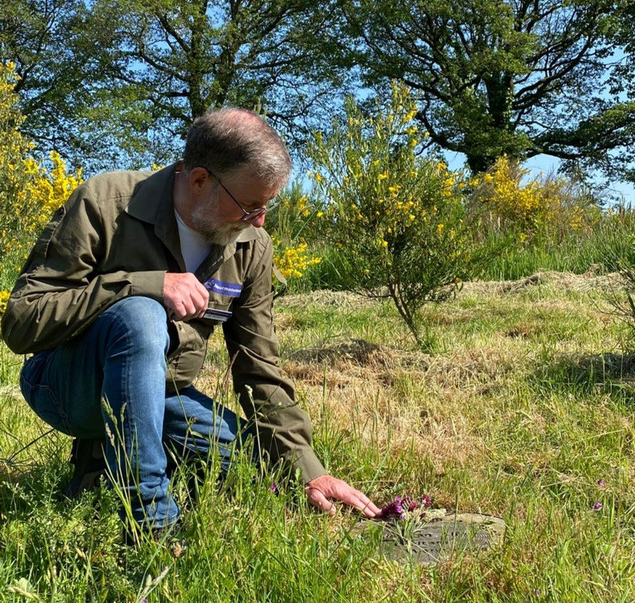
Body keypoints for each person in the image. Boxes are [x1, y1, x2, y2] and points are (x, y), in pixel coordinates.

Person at [1, 108, 379, 536]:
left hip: (164, 395)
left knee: (261, 471)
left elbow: (259, 368)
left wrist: (310, 470)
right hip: (64, 385)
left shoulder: (251, 246)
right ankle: (151, 520)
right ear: (199, 180)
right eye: (250, 205)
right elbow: (21, 322)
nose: (259, 220)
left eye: (267, 205)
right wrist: (142, 286)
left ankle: (109, 454)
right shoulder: (105, 202)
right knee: (140, 314)